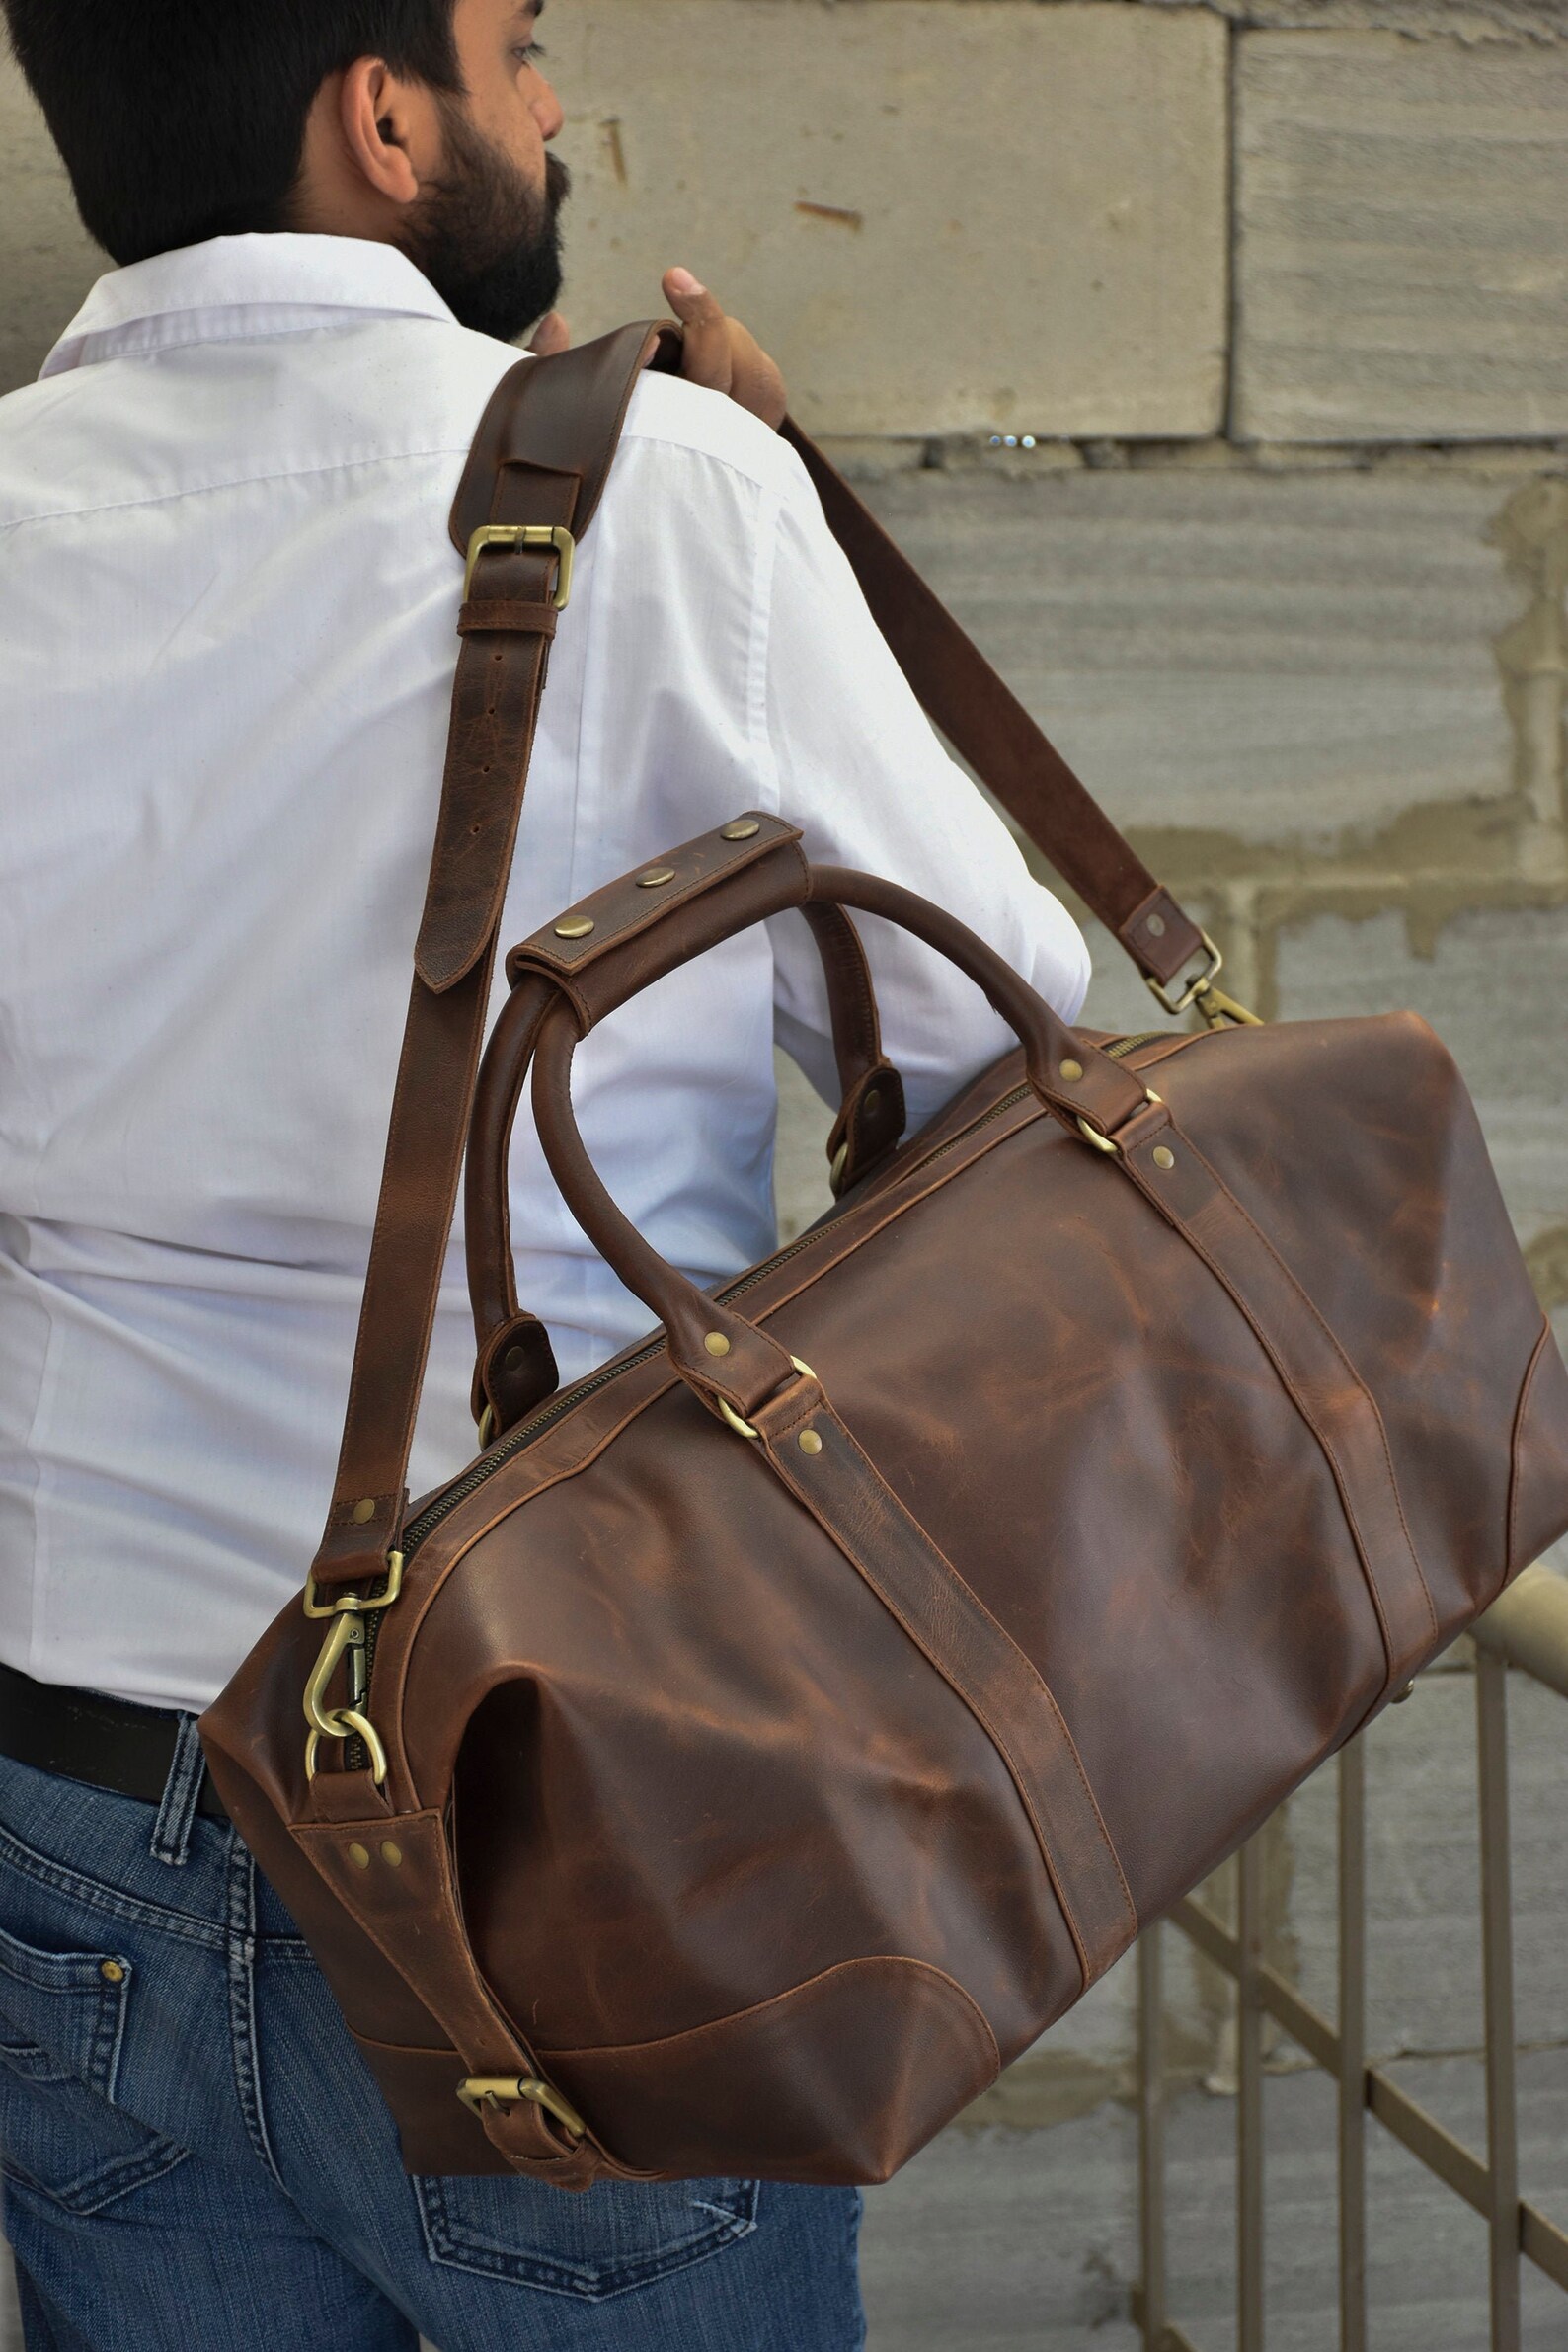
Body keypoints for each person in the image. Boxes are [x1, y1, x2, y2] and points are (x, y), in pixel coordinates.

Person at [0, 2, 1089, 2344]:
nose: (549, 99)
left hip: (68, 1786)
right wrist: (781, 523)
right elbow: (1010, 1039)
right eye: (510, 47)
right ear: (381, 118)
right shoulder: (667, 492)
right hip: (548, 1786)